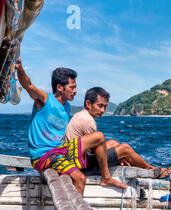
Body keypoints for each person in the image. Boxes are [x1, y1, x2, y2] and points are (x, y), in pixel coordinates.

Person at [16, 60, 128, 195]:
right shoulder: (45, 100)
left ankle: (106, 177)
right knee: (80, 178)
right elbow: (28, 85)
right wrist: (20, 69)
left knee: (99, 137)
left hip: (61, 151)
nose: (75, 91)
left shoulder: (67, 106)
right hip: (44, 156)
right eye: (72, 87)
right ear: (60, 87)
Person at [65, 87, 171, 178]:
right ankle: (152, 170)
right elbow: (95, 153)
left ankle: (135, 162)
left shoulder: (81, 115)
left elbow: (93, 148)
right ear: (88, 104)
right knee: (125, 148)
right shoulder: (88, 121)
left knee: (113, 142)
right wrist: (119, 157)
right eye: (100, 106)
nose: (103, 110)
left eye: (105, 107)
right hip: (81, 167)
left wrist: (117, 155)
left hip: (76, 159)